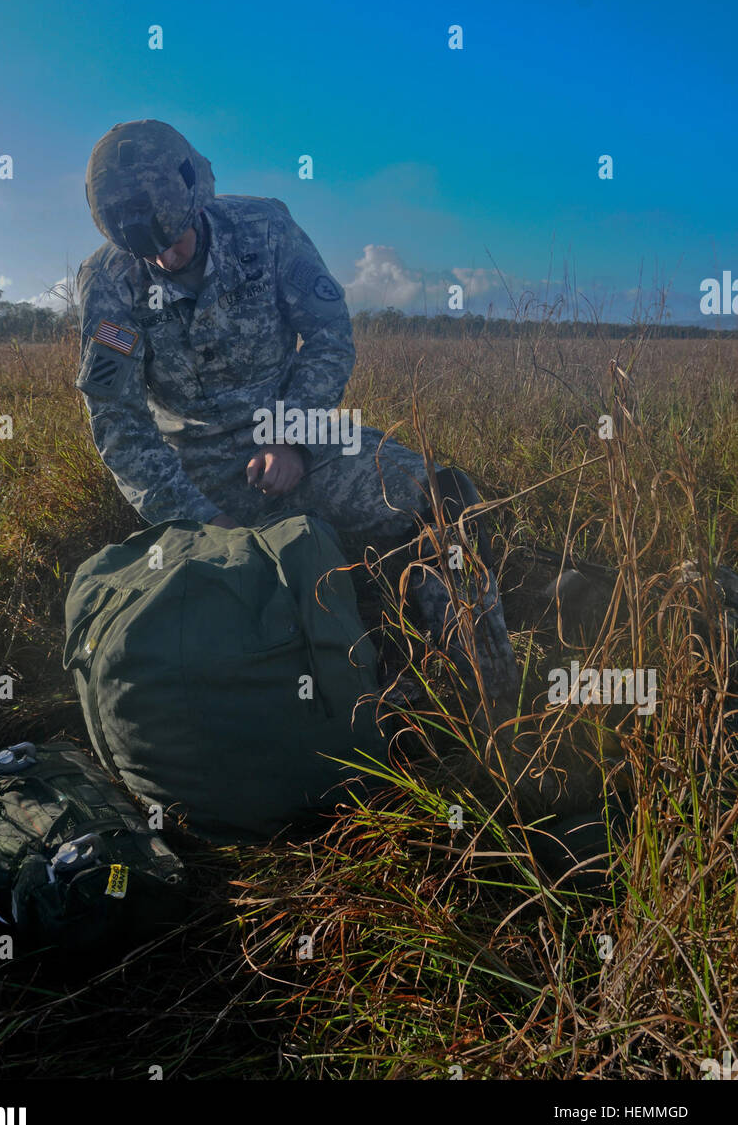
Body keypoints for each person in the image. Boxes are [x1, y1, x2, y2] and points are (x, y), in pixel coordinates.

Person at [76, 119, 520, 741]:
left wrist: (292, 435)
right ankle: (373, 676)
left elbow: (331, 336)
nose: (162, 258)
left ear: (196, 194)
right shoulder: (108, 281)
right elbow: (118, 422)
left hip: (300, 433)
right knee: (243, 604)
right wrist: (201, 519)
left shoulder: (264, 227)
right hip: (199, 475)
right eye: (144, 250)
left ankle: (501, 720)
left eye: (172, 239)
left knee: (438, 503)